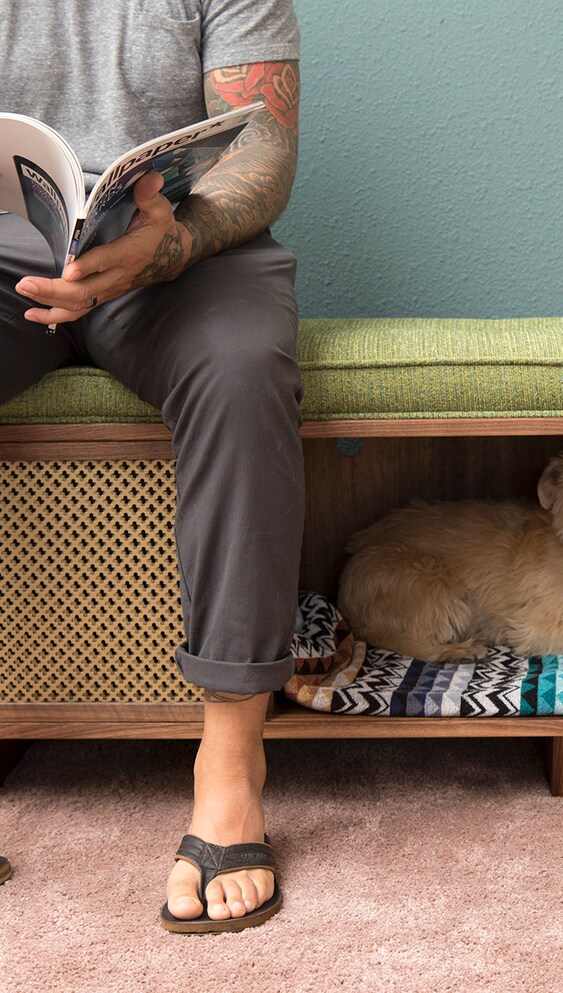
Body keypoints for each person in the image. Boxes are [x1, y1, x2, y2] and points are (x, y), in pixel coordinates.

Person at [1, 0, 303, 933]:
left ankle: (231, 764)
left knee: (244, 368)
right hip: (7, 248)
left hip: (185, 249)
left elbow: (264, 149)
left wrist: (172, 243)